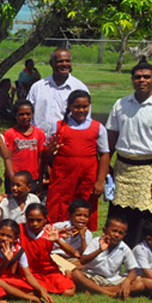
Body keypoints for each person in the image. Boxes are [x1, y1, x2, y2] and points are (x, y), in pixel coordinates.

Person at [106, 60, 152, 246]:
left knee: (143, 217)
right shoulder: (121, 105)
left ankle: (139, 259)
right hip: (122, 168)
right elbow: (111, 139)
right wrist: (106, 167)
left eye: (146, 77)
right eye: (138, 77)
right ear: (132, 80)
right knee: (119, 215)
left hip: (147, 169)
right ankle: (115, 254)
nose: (142, 80)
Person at [45, 90, 109, 229]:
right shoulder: (59, 126)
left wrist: (100, 181)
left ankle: (82, 241)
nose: (81, 110)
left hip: (87, 177)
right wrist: (51, 150)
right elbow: (48, 155)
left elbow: (104, 155)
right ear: (69, 106)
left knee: (83, 207)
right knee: (59, 207)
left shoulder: (98, 128)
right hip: (63, 177)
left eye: (85, 106)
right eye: (77, 107)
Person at [27, 49, 89, 138]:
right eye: (60, 61)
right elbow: (28, 113)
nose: (64, 64)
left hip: (67, 140)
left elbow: (85, 119)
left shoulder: (79, 88)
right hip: (39, 141)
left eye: (68, 61)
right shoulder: (38, 87)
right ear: (51, 63)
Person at [71, 216, 138, 297]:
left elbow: (133, 271)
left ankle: (94, 290)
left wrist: (127, 281)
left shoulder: (124, 248)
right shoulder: (96, 242)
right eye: (114, 231)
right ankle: (109, 293)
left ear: (124, 235)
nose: (116, 235)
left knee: (139, 284)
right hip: (92, 277)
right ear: (104, 230)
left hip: (111, 280)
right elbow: (82, 261)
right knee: (75, 274)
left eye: (120, 233)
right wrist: (99, 250)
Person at [3, 100, 45, 183]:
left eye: (28, 114)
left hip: (32, 178)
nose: (25, 117)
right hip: (15, 177)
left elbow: (40, 157)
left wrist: (40, 178)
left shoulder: (39, 133)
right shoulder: (10, 134)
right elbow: (7, 158)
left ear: (32, 114)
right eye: (21, 114)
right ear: (15, 115)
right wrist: (12, 178)